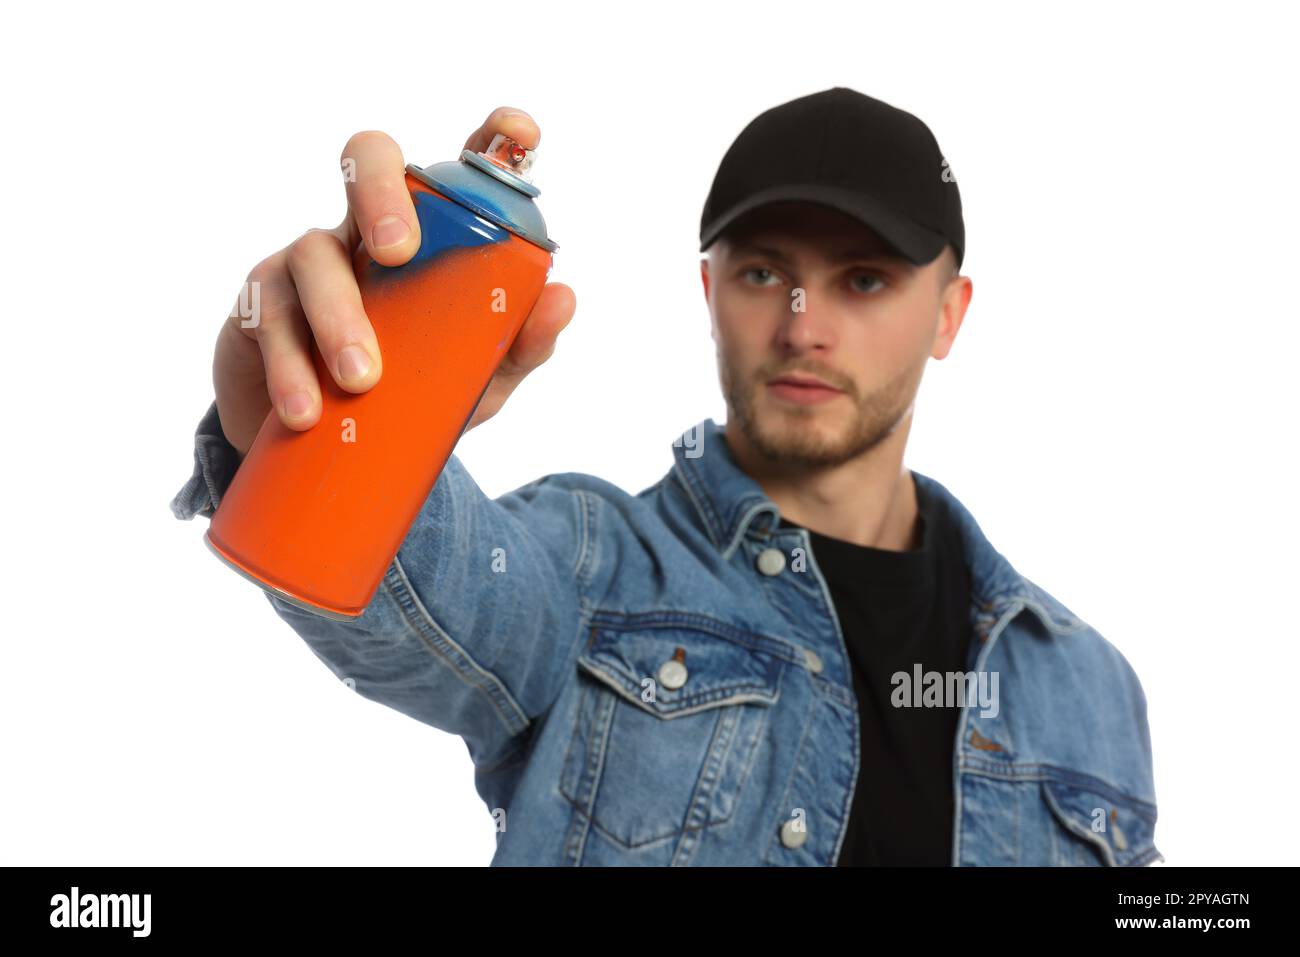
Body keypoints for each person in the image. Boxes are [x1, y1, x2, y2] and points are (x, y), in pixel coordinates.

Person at [172, 88, 1162, 866]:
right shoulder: (589, 570)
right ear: (708, 290)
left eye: (864, 278)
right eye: (763, 271)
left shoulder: (1087, 685)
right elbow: (417, 582)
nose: (802, 322)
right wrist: (304, 429)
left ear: (949, 313)